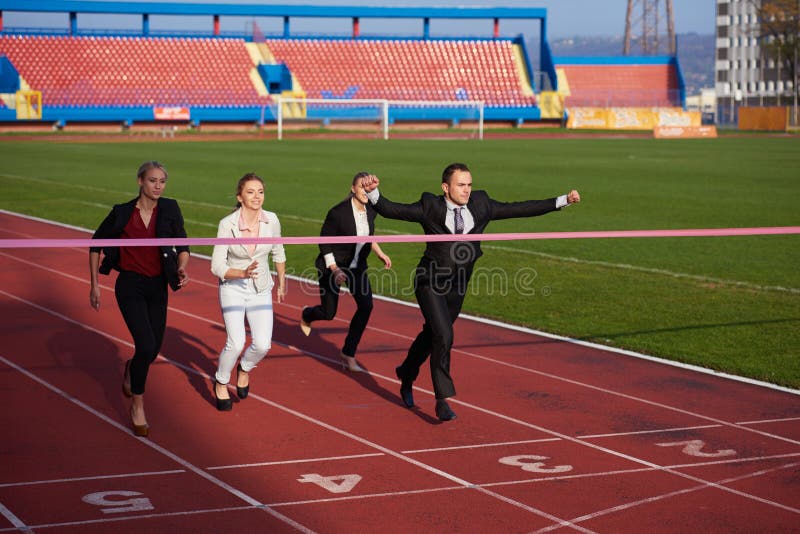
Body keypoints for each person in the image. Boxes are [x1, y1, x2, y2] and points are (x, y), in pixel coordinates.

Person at [362, 163, 580, 422]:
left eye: (469, 185)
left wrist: (562, 200)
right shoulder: (430, 206)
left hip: (458, 285)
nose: (466, 190)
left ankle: (407, 372)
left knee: (433, 334)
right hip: (429, 281)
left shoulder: (481, 204)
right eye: (460, 185)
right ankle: (441, 400)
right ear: (446, 187)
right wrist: (374, 193)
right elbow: (393, 210)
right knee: (444, 334)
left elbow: (519, 208)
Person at [89, 161, 190, 437]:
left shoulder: (170, 209)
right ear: (140, 182)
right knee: (145, 343)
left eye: (162, 181)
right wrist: (95, 286)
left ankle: (132, 368)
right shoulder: (122, 213)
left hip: (158, 286)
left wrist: (182, 266)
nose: (158, 186)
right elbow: (96, 243)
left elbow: (183, 245)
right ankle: (138, 403)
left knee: (152, 349)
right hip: (130, 286)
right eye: (152, 181)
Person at [300, 172, 392, 371]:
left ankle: (348, 352)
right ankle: (308, 314)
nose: (365, 192)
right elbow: (324, 243)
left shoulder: (371, 210)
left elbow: (369, 234)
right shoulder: (338, 213)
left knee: (366, 306)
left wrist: (380, 252)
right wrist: (334, 270)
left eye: (368, 188)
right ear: (353, 189)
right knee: (328, 313)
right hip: (333, 265)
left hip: (357, 268)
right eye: (361, 187)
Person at [210, 173, 286, 411]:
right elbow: (217, 266)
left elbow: (278, 251)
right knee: (236, 342)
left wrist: (282, 281)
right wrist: (241, 273)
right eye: (251, 192)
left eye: (260, 192)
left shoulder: (271, 220)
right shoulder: (227, 224)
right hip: (233, 288)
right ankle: (221, 382)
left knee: (263, 345)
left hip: (260, 288)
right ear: (240, 197)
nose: (257, 197)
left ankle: (244, 367)